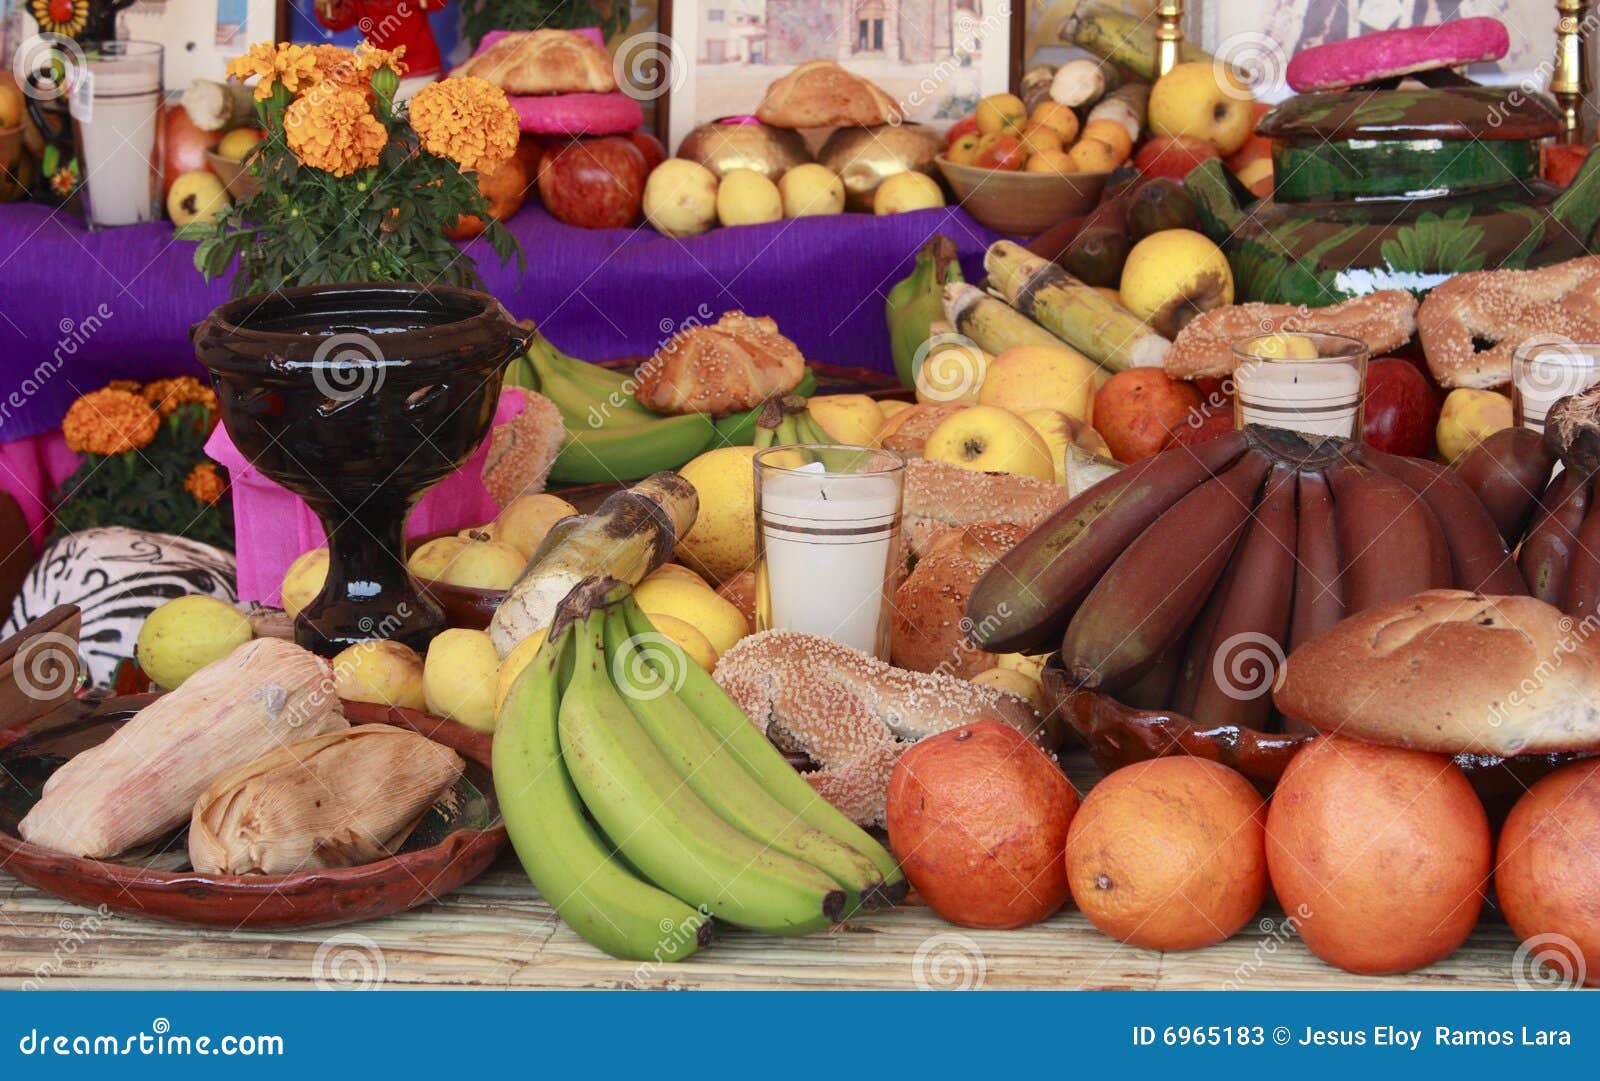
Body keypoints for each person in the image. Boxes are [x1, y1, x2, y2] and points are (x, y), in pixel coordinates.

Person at [314, 0, 449, 98]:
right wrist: (328, 5)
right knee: (386, 122)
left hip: (420, 69)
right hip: (380, 75)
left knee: (418, 119)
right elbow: (338, 21)